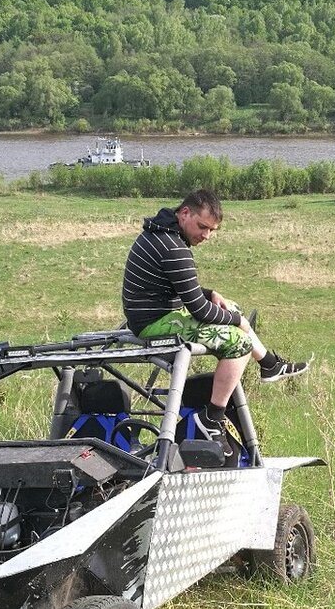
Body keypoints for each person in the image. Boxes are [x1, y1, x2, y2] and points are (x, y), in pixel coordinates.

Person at [122, 190, 309, 448]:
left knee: (232, 308)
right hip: (154, 325)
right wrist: (236, 320)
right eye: (202, 227)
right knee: (239, 342)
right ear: (185, 213)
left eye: (212, 230)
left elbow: (179, 288)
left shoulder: (161, 233)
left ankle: (269, 365)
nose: (206, 236)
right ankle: (212, 417)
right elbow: (199, 310)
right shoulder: (173, 248)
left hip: (154, 315)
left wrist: (212, 294)